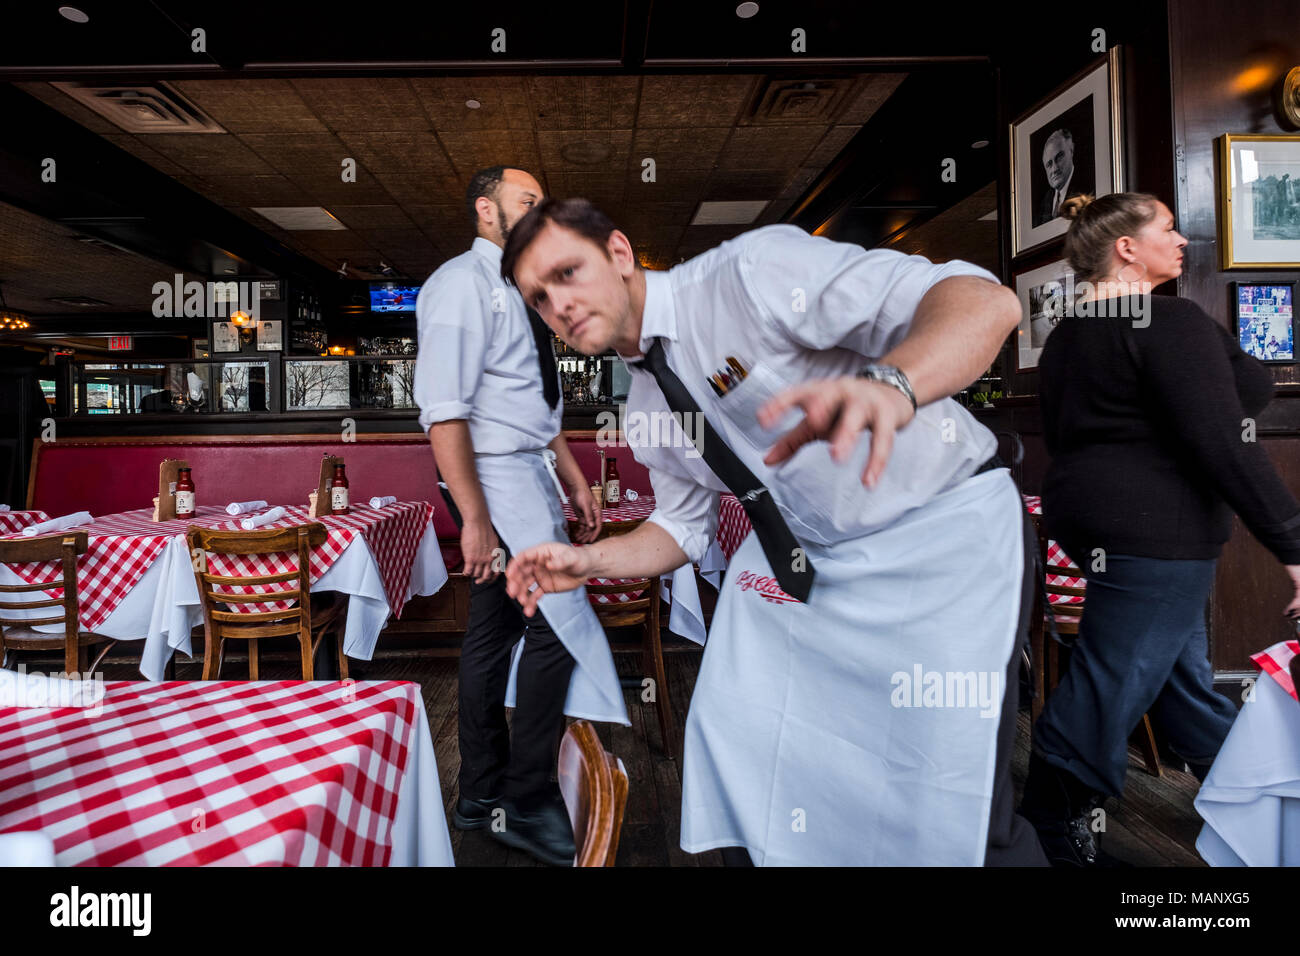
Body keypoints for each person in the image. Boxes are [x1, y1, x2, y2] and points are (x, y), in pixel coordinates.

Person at [497, 198, 1047, 866]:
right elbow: (681, 529)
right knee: (739, 735)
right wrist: (590, 561)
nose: (559, 303)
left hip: (947, 536)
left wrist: (891, 385)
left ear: (618, 252)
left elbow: (984, 302)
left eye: (567, 272)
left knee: (947, 793)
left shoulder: (750, 274)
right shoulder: (644, 408)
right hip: (824, 568)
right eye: (539, 296)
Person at [1023, 192, 1300, 866]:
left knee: (1179, 681)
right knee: (1110, 677)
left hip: (1091, 521)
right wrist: (1293, 545)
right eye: (1168, 230)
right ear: (1126, 247)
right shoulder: (1169, 321)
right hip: (1157, 528)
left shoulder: (1067, 333)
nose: (1181, 242)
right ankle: (1045, 821)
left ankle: (1257, 801)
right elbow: (1230, 433)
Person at [413, 168, 628, 867]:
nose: (539, 214)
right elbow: (444, 411)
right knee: (562, 627)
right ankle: (527, 798)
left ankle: (480, 794)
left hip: (527, 473)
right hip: (493, 482)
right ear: (486, 209)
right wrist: (474, 519)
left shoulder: (521, 290)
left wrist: (574, 480)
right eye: (527, 202)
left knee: (496, 628)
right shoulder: (459, 285)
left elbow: (532, 406)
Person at [1035, 129, 1092, 227]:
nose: (1054, 169)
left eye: (1059, 157)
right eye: (1049, 164)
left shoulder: (1088, 187)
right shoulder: (1045, 202)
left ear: (1071, 151)